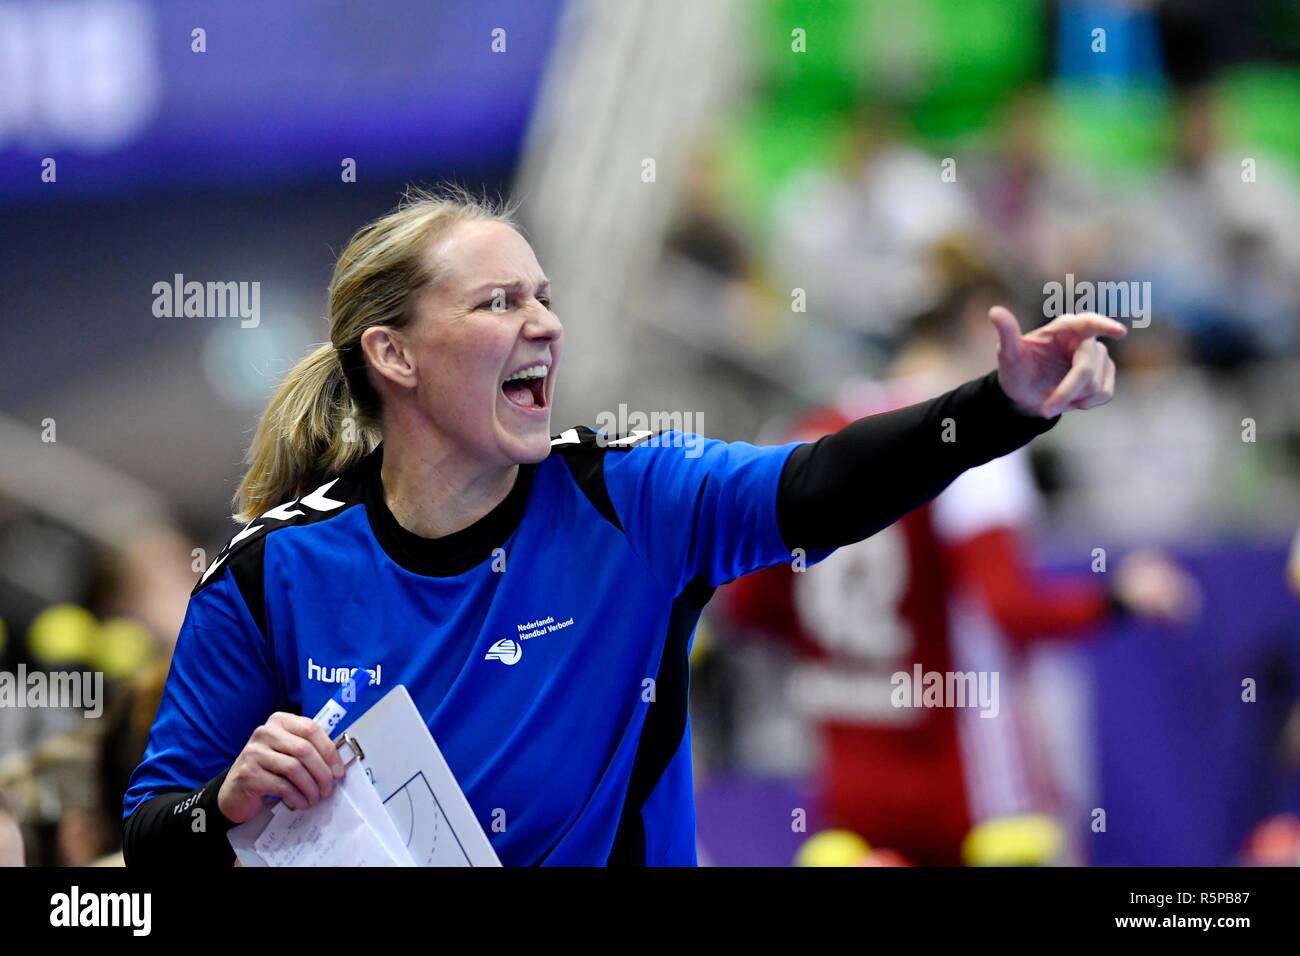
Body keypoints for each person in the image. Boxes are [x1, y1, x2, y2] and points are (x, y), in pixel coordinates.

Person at [121, 187, 1125, 867]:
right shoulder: (268, 575)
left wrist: (999, 407)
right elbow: (149, 838)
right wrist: (230, 800)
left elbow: (818, 484)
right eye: (499, 301)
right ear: (394, 353)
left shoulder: (631, 500)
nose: (545, 323)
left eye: (546, 299)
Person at [721, 278, 1196, 865]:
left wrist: (853, 668)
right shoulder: (974, 443)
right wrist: (1118, 599)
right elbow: (1011, 611)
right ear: (980, 327)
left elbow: (748, 605)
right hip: (968, 804)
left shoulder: (806, 431)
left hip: (846, 795)